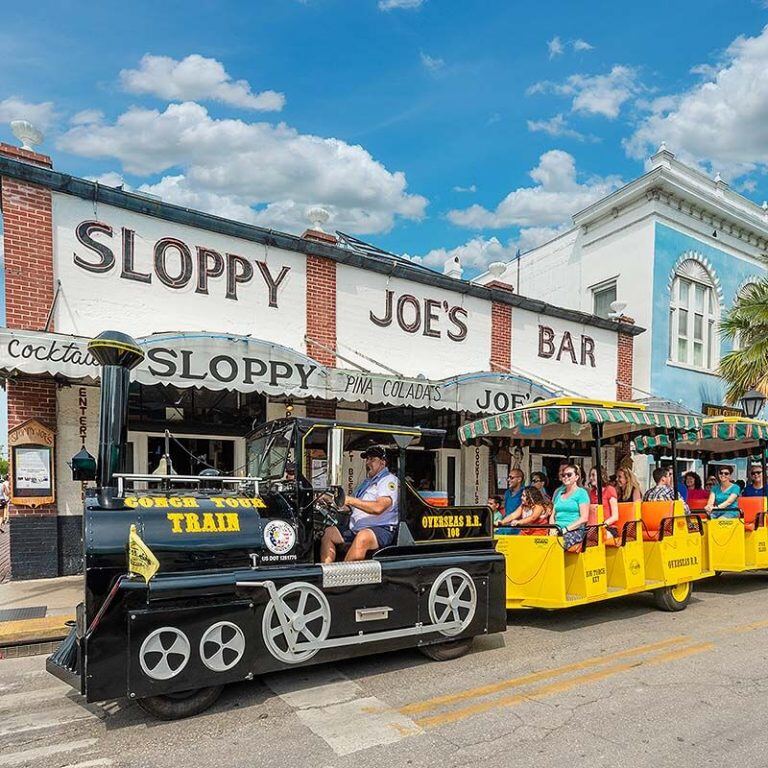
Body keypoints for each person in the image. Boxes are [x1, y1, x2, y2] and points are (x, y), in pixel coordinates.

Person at [320, 446, 399, 562]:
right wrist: (328, 500)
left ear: (383, 462)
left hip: (382, 529)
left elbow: (379, 508)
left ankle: (344, 577)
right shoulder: (366, 483)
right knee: (328, 532)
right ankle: (326, 573)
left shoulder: (388, 480)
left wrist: (350, 500)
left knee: (363, 537)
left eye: (372, 459)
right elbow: (349, 507)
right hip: (357, 527)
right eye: (367, 459)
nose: (367, 462)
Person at [552, 463, 590, 549]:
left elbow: (584, 518)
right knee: (540, 543)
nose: (565, 477)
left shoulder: (581, 493)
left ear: (576, 477)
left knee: (558, 544)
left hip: (574, 530)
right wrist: (552, 528)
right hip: (557, 529)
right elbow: (552, 515)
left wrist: (566, 529)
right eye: (563, 475)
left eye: (569, 475)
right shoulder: (559, 493)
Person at [587, 466, 619, 540]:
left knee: (598, 536)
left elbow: (615, 516)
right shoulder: (592, 493)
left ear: (601, 476)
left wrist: (603, 525)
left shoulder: (610, 490)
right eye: (590, 476)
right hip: (594, 527)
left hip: (608, 527)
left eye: (593, 475)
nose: (591, 478)